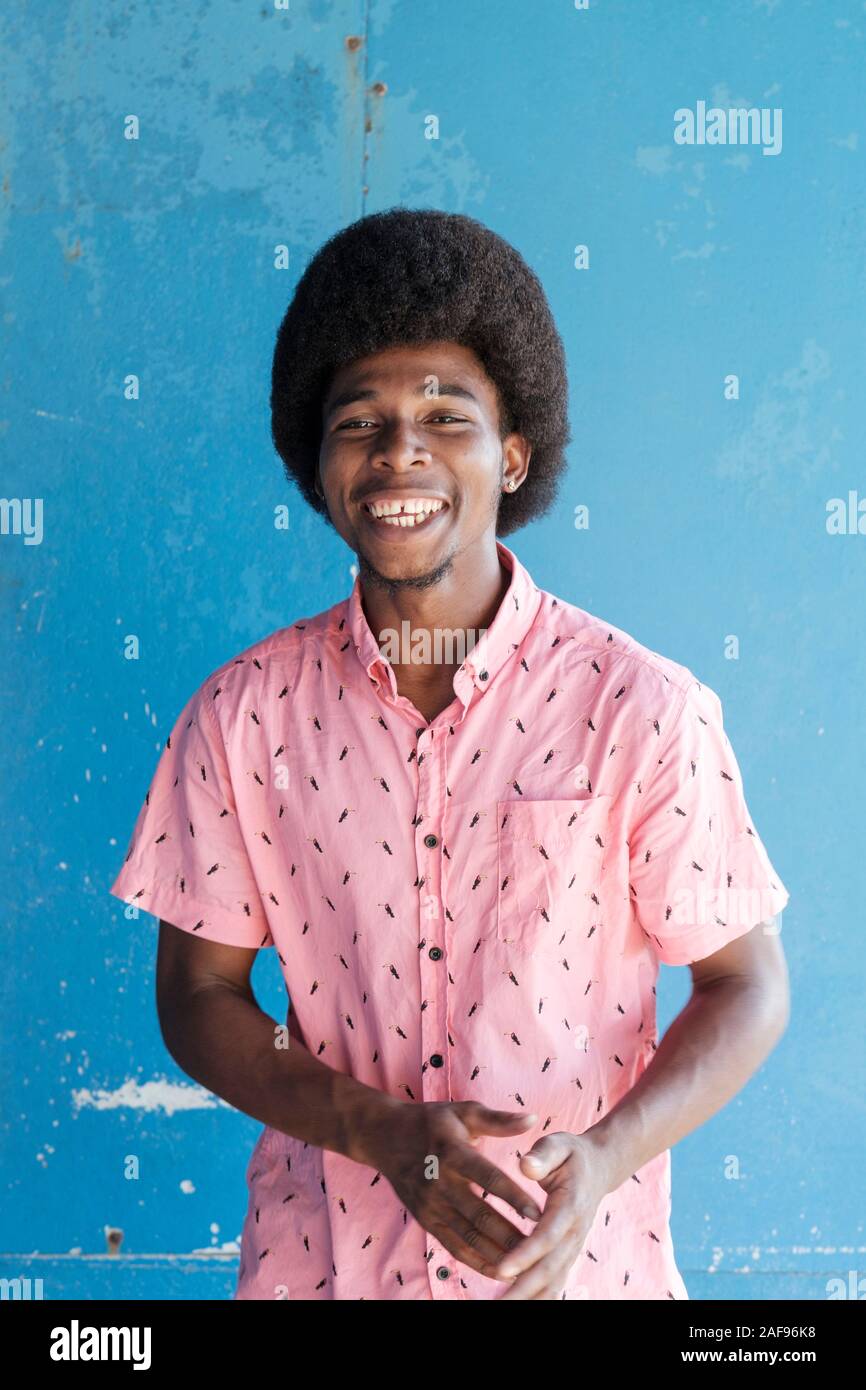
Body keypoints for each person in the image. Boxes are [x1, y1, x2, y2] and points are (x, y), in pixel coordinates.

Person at [110, 208, 791, 1301]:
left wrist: (605, 1157)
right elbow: (196, 992)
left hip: (580, 1278)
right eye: (358, 422)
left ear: (513, 453)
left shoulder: (641, 708)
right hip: (321, 1272)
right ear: (315, 462)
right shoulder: (239, 719)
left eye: (444, 414)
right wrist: (382, 1134)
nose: (398, 455)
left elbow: (744, 980)